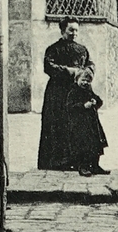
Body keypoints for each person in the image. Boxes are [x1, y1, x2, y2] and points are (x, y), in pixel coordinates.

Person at [37, 18, 94, 171]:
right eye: (71, 30)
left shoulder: (82, 49)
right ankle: (55, 162)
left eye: (76, 30)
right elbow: (49, 67)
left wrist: (87, 72)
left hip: (77, 93)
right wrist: (70, 71)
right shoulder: (53, 49)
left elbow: (90, 64)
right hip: (57, 93)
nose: (74, 33)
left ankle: (77, 161)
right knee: (57, 125)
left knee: (77, 125)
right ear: (63, 31)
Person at [66, 66, 110, 176]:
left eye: (88, 81)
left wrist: (96, 101)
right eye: (83, 80)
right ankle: (83, 166)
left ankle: (95, 165)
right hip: (80, 125)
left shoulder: (89, 91)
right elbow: (70, 107)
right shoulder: (73, 92)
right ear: (77, 80)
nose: (85, 83)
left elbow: (99, 101)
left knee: (96, 145)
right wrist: (83, 106)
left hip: (92, 124)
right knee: (83, 146)